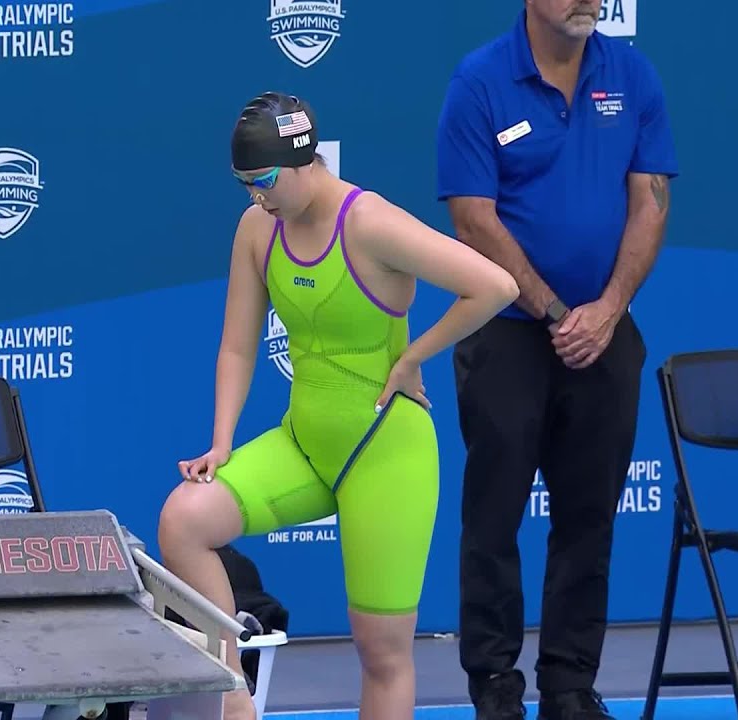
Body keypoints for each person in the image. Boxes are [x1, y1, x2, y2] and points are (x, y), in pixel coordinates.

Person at [157, 91, 520, 720]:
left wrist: (412, 359)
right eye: (245, 184)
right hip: (303, 442)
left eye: (264, 181)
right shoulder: (256, 230)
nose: (257, 198)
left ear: (304, 161)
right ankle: (234, 703)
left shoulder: (369, 222)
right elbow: (238, 348)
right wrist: (221, 442)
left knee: (381, 652)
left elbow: (494, 285)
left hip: (384, 450)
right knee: (183, 519)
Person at [433, 1, 678, 719]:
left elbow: (651, 201)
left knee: (588, 518)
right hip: (506, 331)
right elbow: (473, 217)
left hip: (605, 334)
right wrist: (553, 310)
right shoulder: (479, 81)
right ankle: (495, 685)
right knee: (493, 517)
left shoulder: (632, 75)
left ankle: (570, 684)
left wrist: (604, 310)